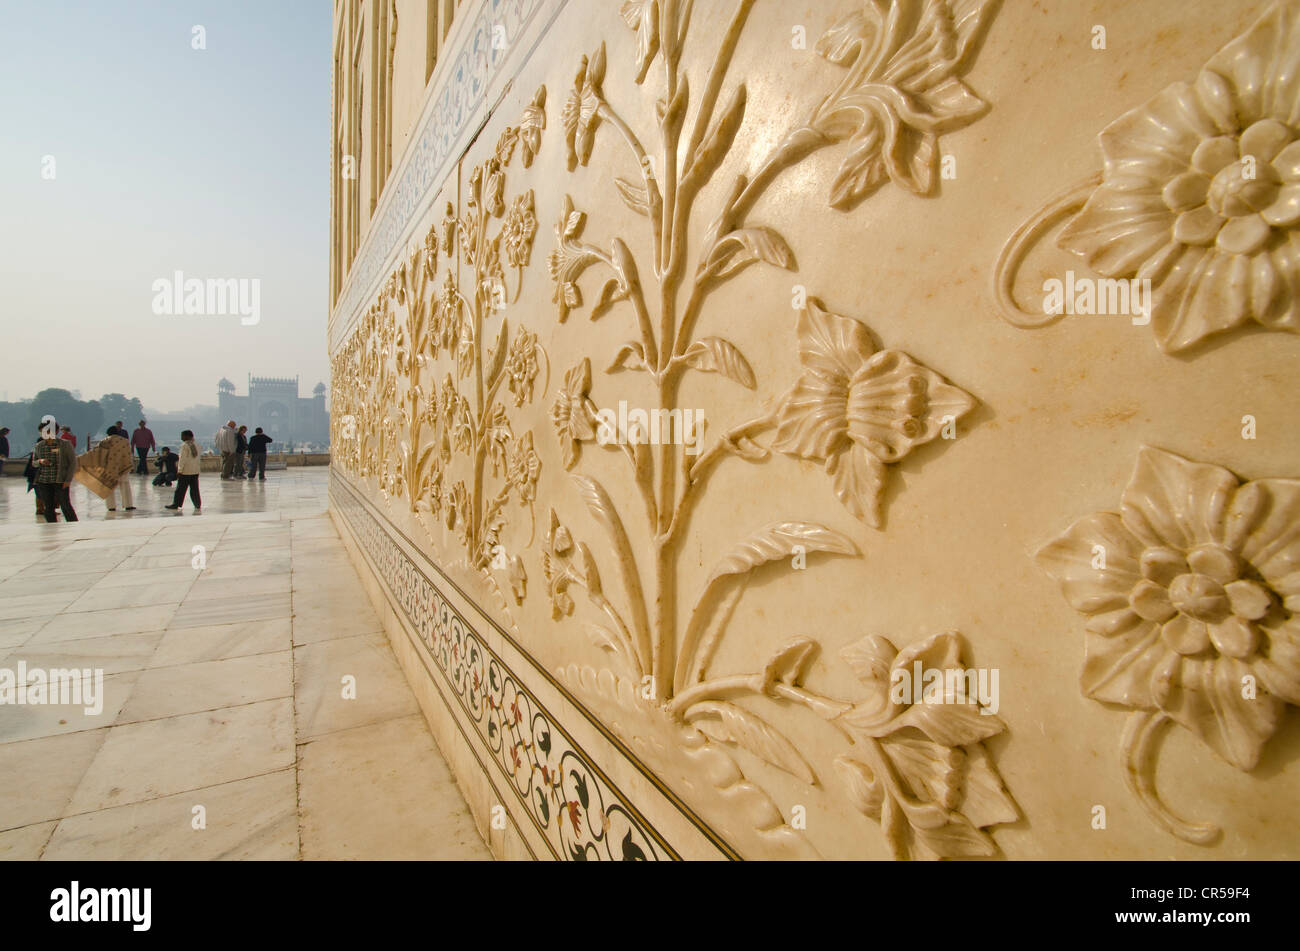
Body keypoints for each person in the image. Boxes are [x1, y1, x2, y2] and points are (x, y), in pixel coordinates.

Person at [75, 430, 134, 512]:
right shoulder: (125, 441)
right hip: (123, 466)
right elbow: (128, 454)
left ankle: (111, 507)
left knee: (109, 487)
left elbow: (96, 453)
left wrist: (78, 460)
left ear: (108, 433)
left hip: (109, 468)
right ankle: (128, 505)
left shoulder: (106, 441)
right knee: (125, 486)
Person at [33, 416, 78, 522]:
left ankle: (74, 526)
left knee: (65, 505)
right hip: (44, 481)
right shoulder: (39, 446)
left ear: (55, 431)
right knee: (48, 507)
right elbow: (34, 462)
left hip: (60, 480)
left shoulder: (65, 444)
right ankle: (51, 527)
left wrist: (68, 479)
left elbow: (72, 463)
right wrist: (40, 461)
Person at [166, 430, 201, 512]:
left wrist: (179, 470)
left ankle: (176, 503)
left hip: (186, 471)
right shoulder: (197, 444)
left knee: (180, 489)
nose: (181, 438)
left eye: (183, 436)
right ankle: (197, 503)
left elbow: (182, 459)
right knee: (194, 489)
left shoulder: (185, 446)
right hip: (195, 471)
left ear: (187, 436)